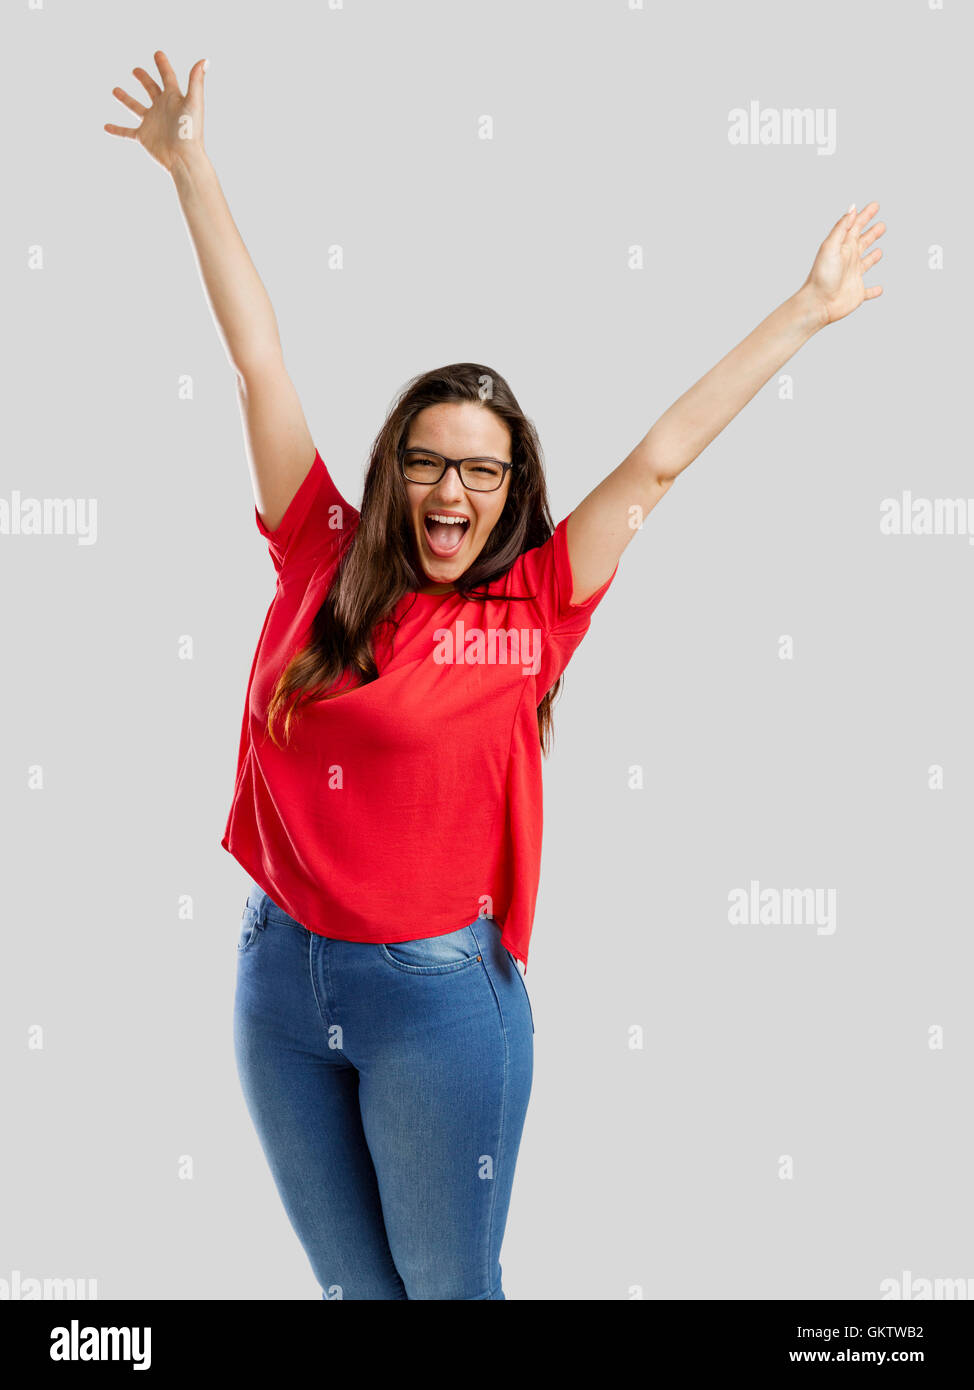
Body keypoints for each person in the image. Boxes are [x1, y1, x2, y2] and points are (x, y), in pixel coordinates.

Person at [105, 51, 885, 1301]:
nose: (450, 490)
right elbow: (260, 362)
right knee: (359, 1296)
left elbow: (658, 461)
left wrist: (804, 305)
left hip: (437, 1004)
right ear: (391, 471)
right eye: (426, 462)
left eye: (480, 470)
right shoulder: (313, 548)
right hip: (278, 979)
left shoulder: (533, 611)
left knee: (448, 1294)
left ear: (512, 492)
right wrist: (191, 163)